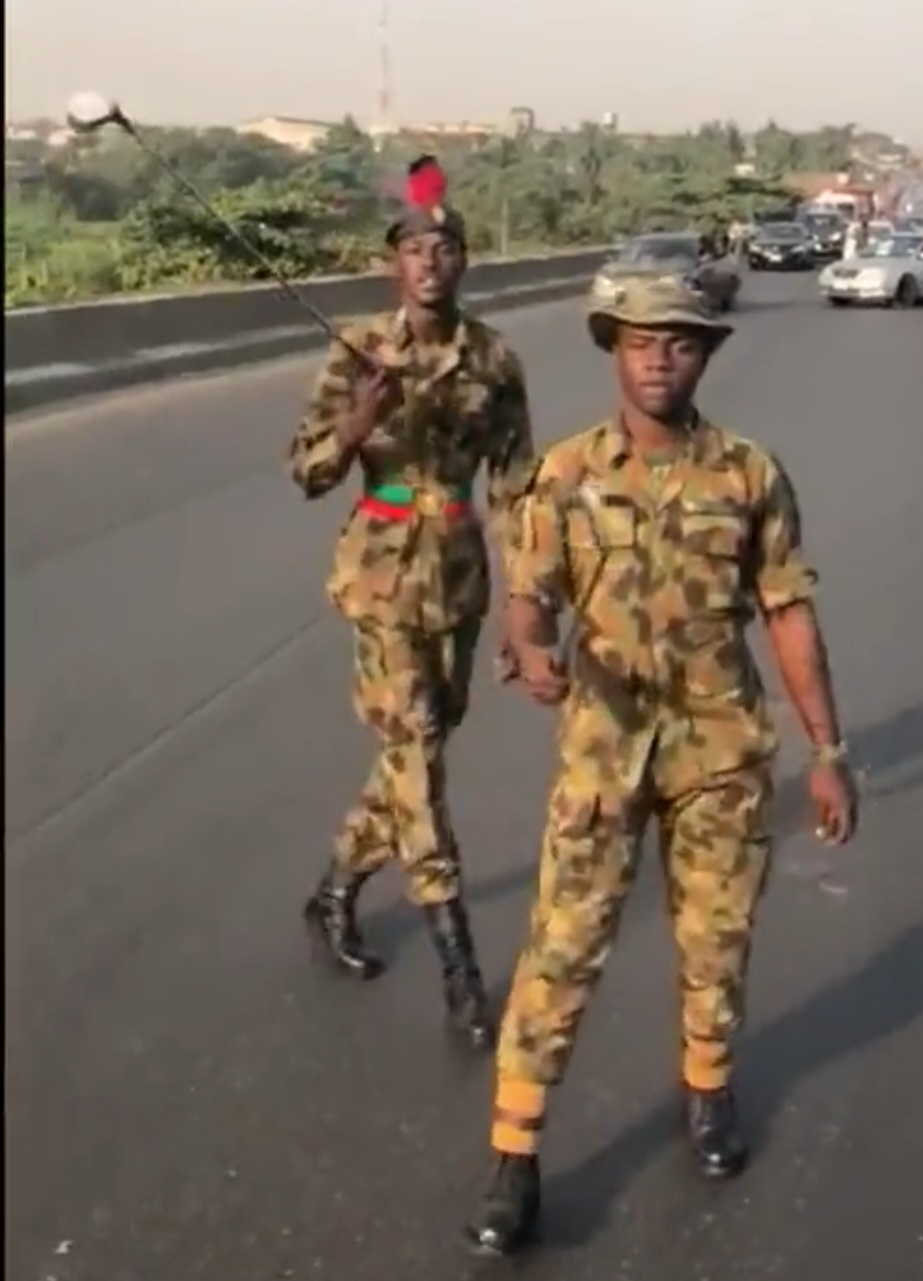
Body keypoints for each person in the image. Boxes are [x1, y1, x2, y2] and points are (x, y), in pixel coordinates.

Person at [464, 270, 858, 1252]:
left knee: (716, 941)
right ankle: (514, 1155)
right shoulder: (563, 474)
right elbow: (527, 594)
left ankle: (709, 1090)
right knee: (560, 950)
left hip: (721, 754)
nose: (659, 357)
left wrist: (828, 749)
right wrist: (533, 643)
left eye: (680, 341)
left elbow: (789, 613)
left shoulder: (750, 475)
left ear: (705, 354)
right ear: (613, 349)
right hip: (603, 754)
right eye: (642, 340)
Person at [286, 156, 536, 1050]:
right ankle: (461, 970)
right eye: (415, 247)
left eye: (446, 246)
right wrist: (356, 423)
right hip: (383, 579)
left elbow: (517, 490)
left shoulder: (495, 360)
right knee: (419, 762)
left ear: (466, 260)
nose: (431, 260)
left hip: (460, 578)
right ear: (393, 263)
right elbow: (307, 468)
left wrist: (523, 607)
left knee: (414, 748)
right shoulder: (358, 350)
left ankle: (334, 890)